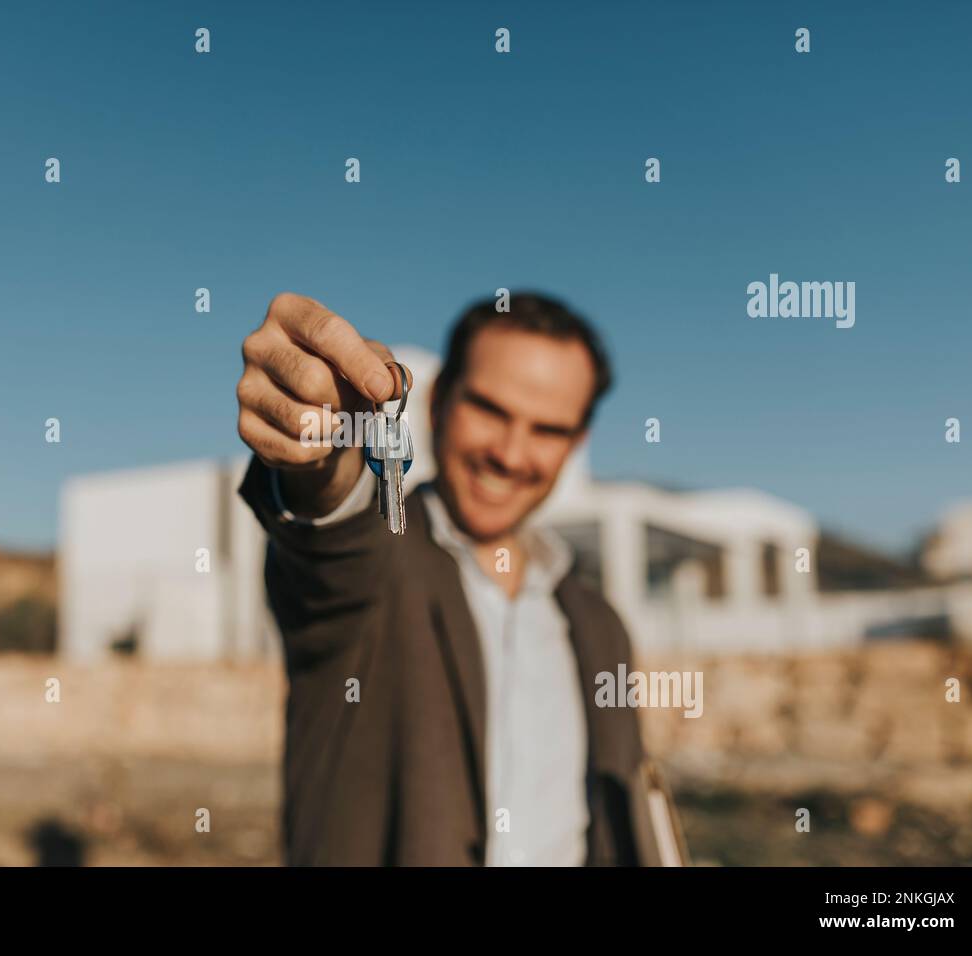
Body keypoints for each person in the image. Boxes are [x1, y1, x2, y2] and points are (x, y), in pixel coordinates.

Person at [236, 290, 687, 866]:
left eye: (547, 430)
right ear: (438, 402)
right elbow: (329, 534)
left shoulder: (600, 626)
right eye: (490, 410)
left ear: (577, 443)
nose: (510, 453)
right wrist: (325, 444)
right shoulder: (379, 561)